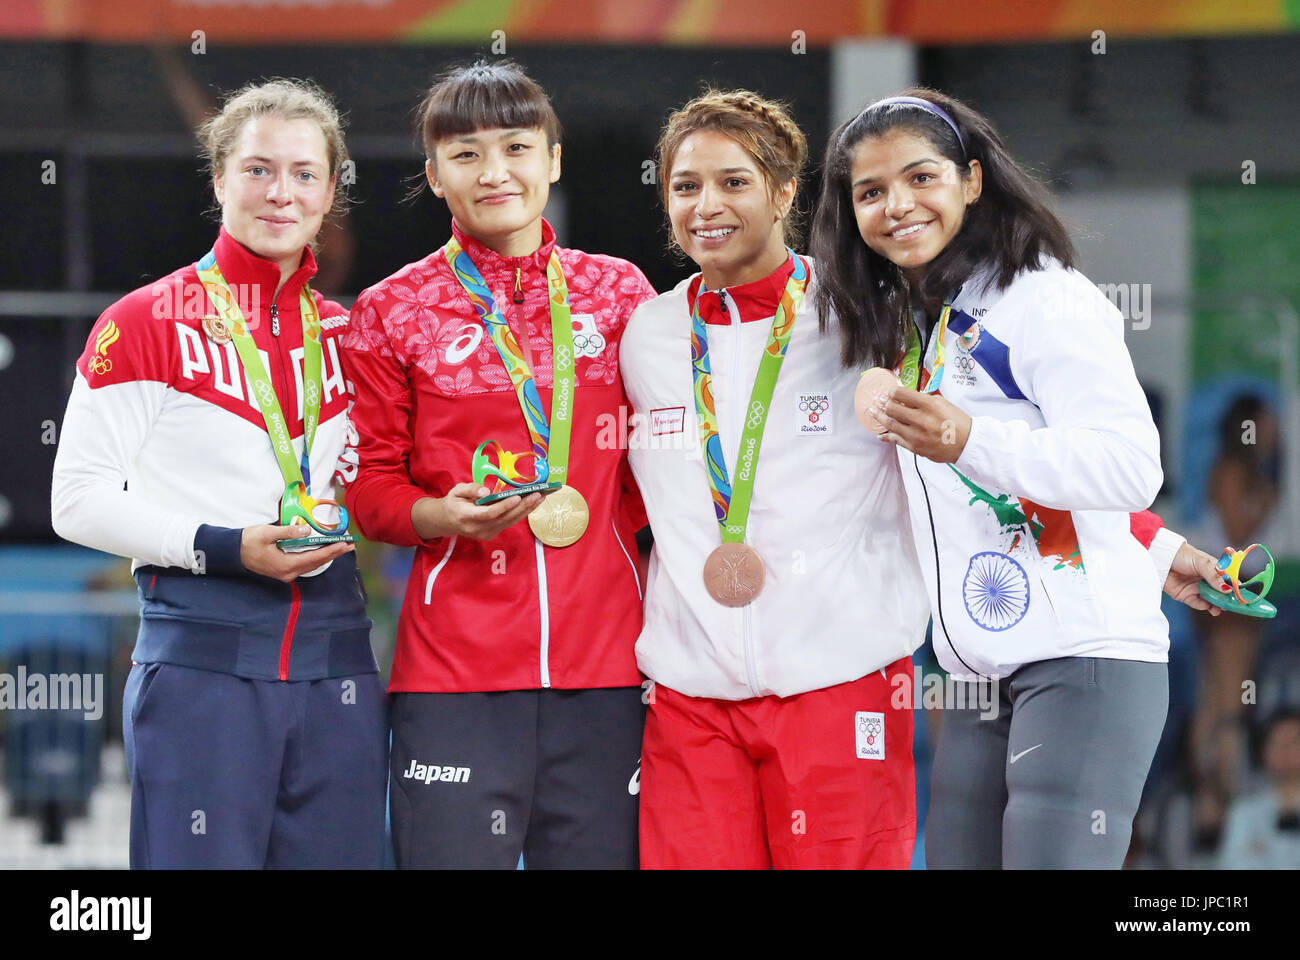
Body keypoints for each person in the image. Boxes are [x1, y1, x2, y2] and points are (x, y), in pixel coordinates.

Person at [810, 87, 1223, 868]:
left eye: (920, 178)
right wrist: (1155, 548)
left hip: (1081, 660)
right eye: (870, 191)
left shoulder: (1042, 297)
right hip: (976, 676)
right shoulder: (908, 322)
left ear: (970, 180)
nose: (897, 205)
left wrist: (970, 438)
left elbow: (1130, 463)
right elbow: (1015, 482)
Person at [50, 79, 387, 869]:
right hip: (203, 671)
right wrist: (225, 546)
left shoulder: (356, 335)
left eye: (305, 174)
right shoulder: (144, 321)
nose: (282, 193)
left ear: (331, 189)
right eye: (258, 169)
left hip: (339, 669)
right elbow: (77, 499)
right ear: (219, 179)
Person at [341, 60, 655, 869]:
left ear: (552, 158)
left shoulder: (621, 295)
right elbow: (370, 488)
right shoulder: (389, 310)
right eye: (466, 153)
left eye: (517, 147)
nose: (495, 172)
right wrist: (442, 515)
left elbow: (659, 471)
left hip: (610, 670)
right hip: (455, 678)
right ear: (434, 176)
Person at [621, 89, 931, 869]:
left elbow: (981, 451)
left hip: (839, 682)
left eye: (733, 182)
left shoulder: (864, 314)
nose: (706, 206)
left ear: (785, 191)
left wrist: (1151, 544)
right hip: (691, 703)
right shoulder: (648, 336)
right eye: (685, 186)